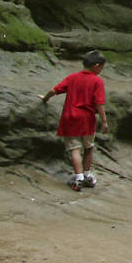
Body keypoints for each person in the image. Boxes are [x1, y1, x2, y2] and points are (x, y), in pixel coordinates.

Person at [42, 50, 110, 191]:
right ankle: (86, 174)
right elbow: (99, 103)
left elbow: (54, 90)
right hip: (87, 119)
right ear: (96, 65)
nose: (101, 71)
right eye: (101, 68)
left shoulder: (72, 77)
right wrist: (104, 121)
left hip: (70, 118)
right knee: (89, 147)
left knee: (75, 149)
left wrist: (45, 98)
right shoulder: (96, 80)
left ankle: (78, 177)